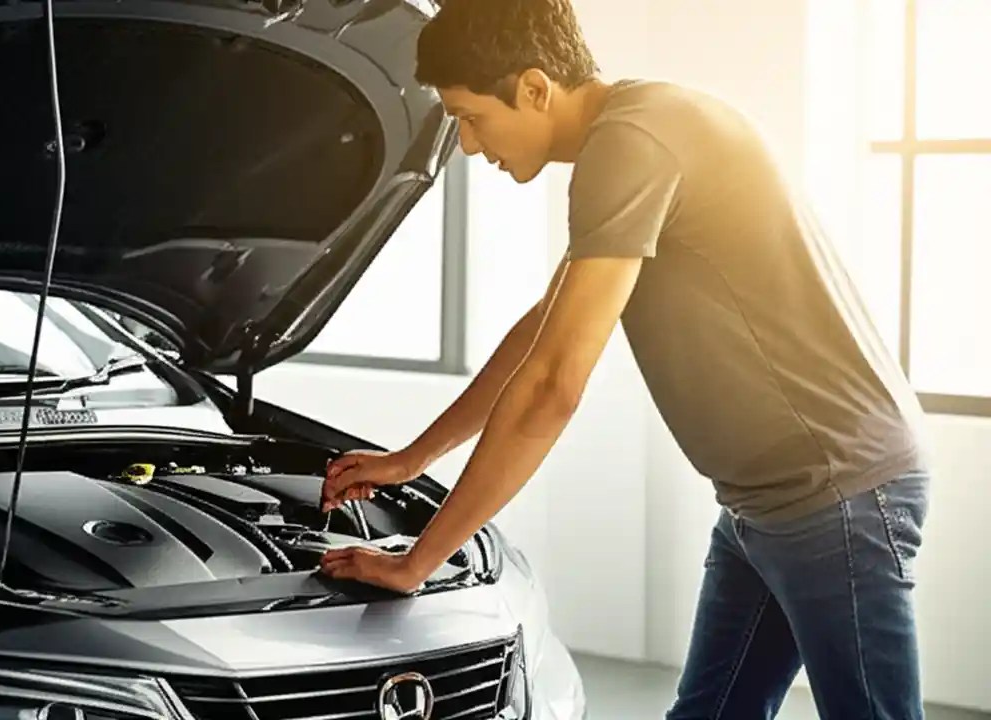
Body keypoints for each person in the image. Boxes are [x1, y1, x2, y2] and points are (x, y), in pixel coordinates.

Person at [315, 0, 933, 717]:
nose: (470, 145)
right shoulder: (638, 132)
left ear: (536, 88)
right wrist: (412, 458)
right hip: (765, 502)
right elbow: (542, 331)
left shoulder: (633, 142)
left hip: (839, 494)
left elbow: (552, 385)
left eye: (472, 116)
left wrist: (417, 564)